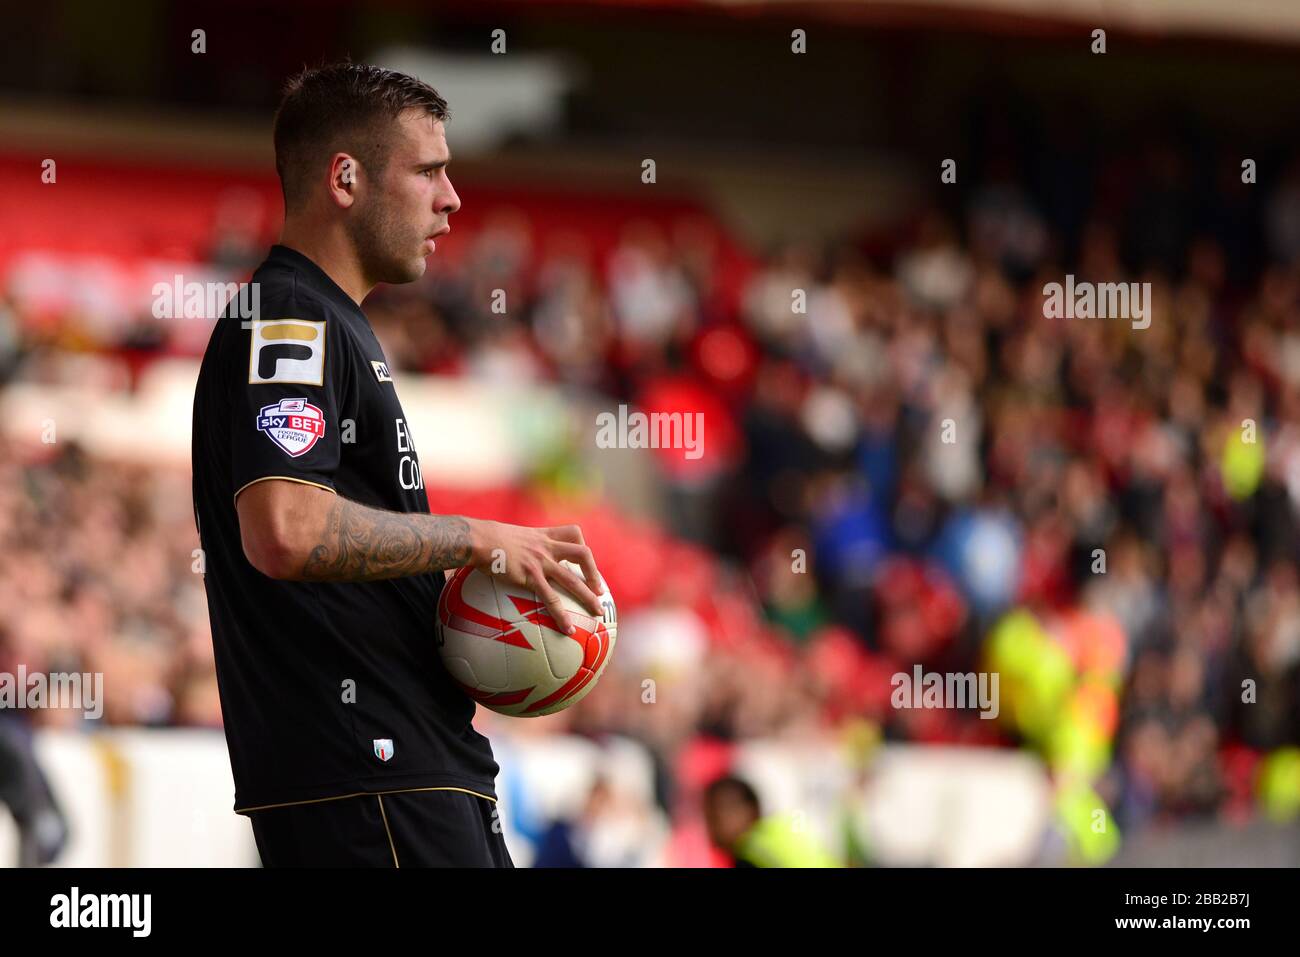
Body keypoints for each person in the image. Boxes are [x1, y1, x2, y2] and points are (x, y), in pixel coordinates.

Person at [191, 62, 606, 867]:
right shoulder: (290, 316)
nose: (452, 199)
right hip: (370, 772)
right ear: (345, 178)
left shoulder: (332, 323)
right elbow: (286, 529)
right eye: (429, 170)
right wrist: (474, 539)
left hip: (402, 767)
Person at [703, 775, 841, 867]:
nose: (709, 829)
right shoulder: (785, 827)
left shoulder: (751, 853)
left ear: (750, 811)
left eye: (714, 817)